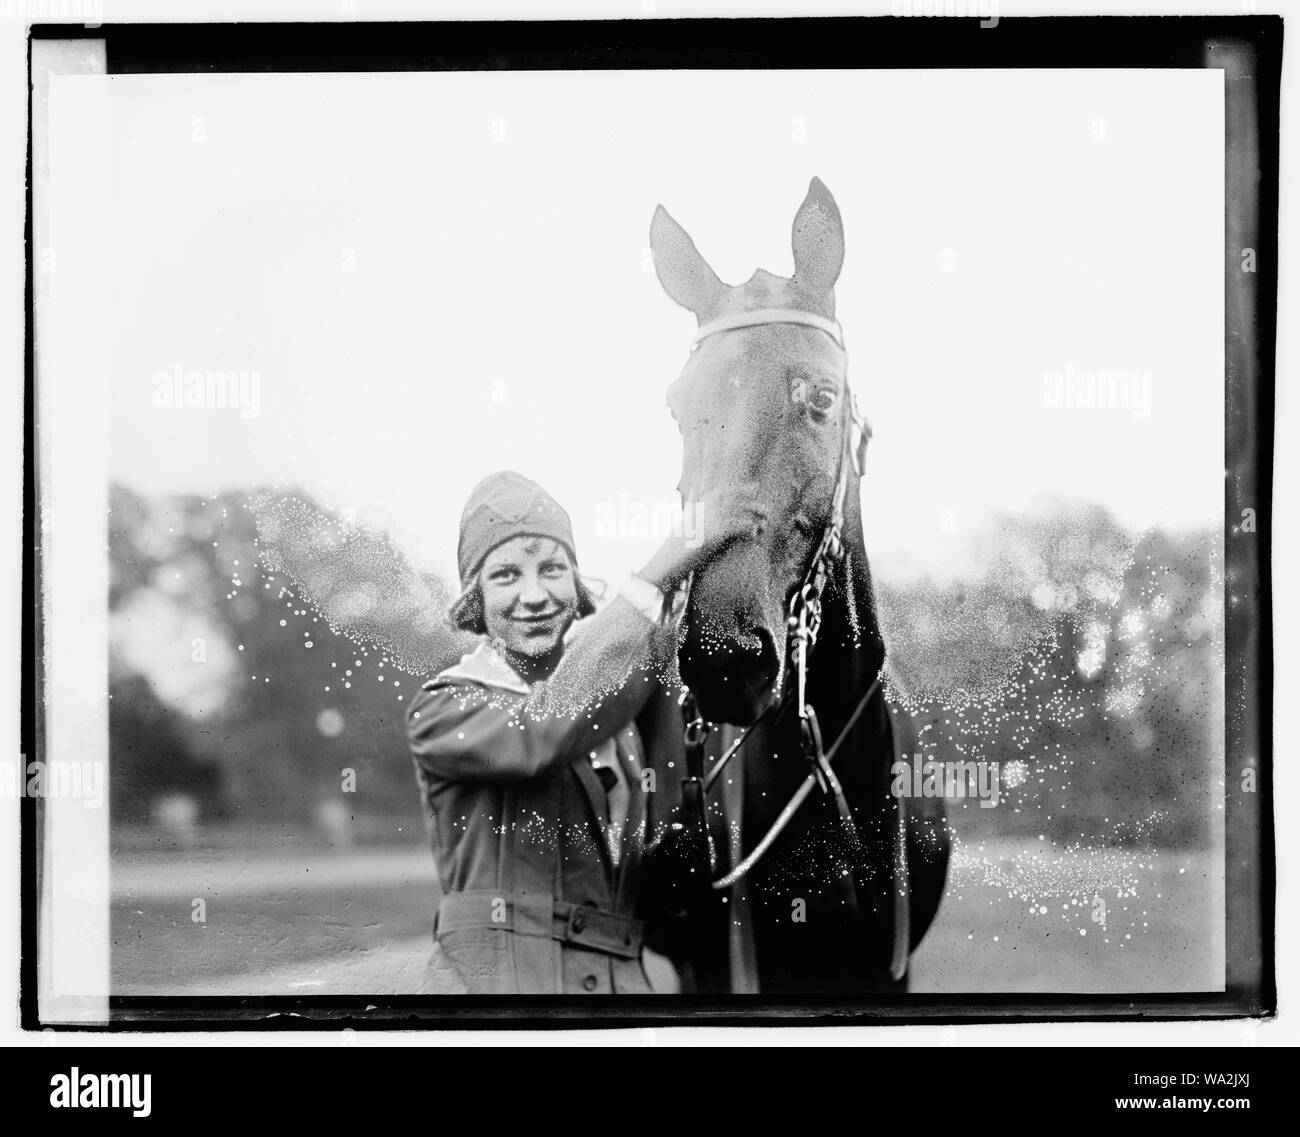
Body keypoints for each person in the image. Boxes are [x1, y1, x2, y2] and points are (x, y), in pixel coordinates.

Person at [405, 470, 764, 994]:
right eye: (505, 575)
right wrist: (668, 564)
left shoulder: (618, 724)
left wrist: (665, 872)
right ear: (474, 601)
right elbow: (542, 732)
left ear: (575, 586)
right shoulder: (441, 709)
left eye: (551, 569)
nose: (534, 595)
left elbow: (638, 906)